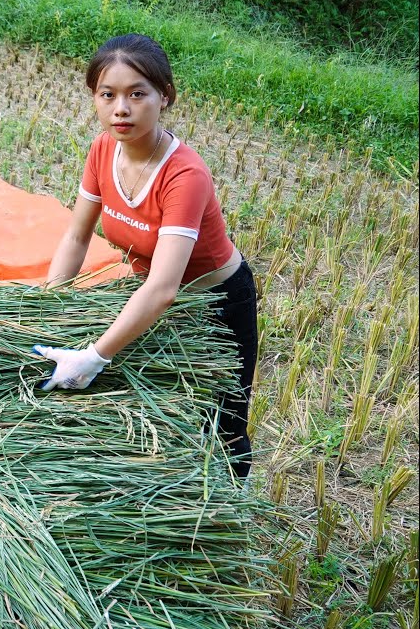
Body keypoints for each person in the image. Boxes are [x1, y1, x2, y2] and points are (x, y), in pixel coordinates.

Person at [32, 34, 258, 480]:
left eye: (137, 94)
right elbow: (77, 237)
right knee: (151, 402)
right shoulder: (102, 151)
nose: (121, 108)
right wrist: (49, 306)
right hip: (146, 292)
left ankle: (233, 501)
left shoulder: (184, 175)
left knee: (225, 415)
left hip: (216, 303)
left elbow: (163, 287)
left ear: (165, 97)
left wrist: (94, 356)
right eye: (107, 95)